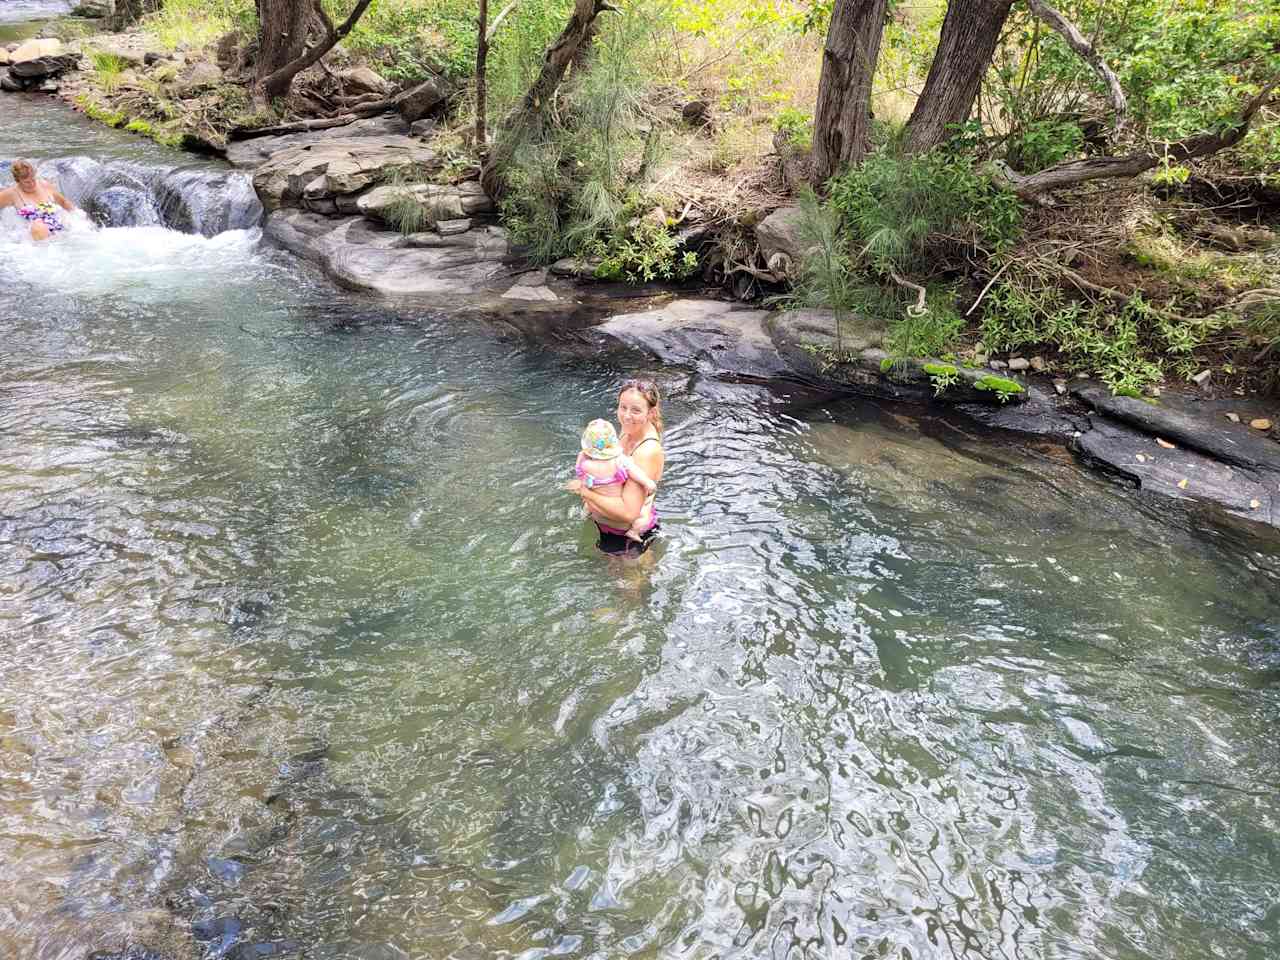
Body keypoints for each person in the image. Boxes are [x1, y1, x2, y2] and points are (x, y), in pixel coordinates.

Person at [569, 379, 666, 556]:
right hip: (609, 528)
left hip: (627, 538)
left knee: (627, 583)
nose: (626, 416)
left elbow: (629, 512)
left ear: (650, 413)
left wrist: (586, 492)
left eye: (636, 410)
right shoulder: (628, 429)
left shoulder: (646, 451)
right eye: (623, 407)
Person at [574, 418, 657, 542]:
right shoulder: (619, 461)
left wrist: (583, 454)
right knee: (645, 513)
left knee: (588, 503)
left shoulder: (585, 465)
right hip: (618, 515)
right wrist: (648, 483)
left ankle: (585, 513)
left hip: (599, 515)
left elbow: (578, 472)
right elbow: (635, 472)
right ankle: (634, 532)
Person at [0, 159, 79, 241]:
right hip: (32, 236)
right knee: (38, 226)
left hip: (56, 230)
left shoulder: (45, 185)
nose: (32, 184)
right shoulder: (11, 193)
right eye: (27, 182)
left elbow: (64, 202)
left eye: (33, 179)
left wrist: (79, 216)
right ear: (18, 181)